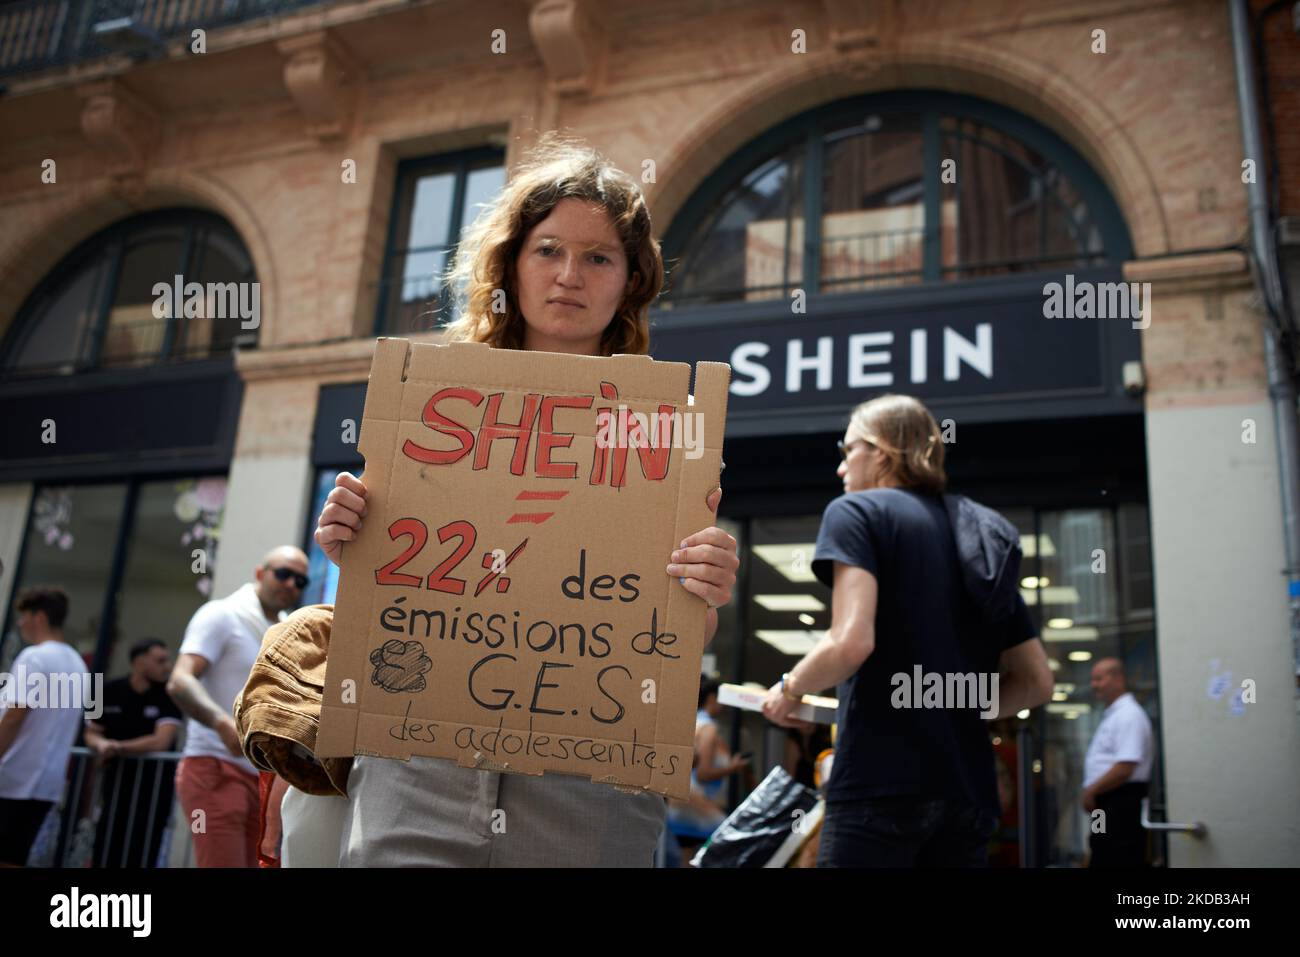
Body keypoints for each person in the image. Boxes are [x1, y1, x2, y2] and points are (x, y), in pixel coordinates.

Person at [314, 132, 740, 867]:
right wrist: (352, 538)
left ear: (630, 280)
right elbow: (376, 595)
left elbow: (668, 640)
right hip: (420, 770)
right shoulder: (430, 405)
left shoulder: (666, 431)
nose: (570, 275)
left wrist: (702, 591)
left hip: (590, 790)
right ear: (511, 261)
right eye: (548, 249)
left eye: (599, 257)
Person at [762, 394, 1054, 867]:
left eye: (847, 449)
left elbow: (851, 641)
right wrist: (950, 703)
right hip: (967, 794)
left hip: (880, 786)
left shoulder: (856, 513)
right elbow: (1037, 682)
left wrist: (789, 689)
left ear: (881, 450)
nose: (841, 468)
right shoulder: (983, 530)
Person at [167, 547, 308, 867]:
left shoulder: (290, 633)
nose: (291, 585)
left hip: (262, 778)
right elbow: (180, 680)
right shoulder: (221, 614)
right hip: (214, 767)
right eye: (283, 574)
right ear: (260, 573)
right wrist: (222, 724)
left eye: (300, 580)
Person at [0, 587, 88, 867]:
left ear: (38, 617)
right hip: (47, 782)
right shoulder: (77, 664)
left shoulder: (34, 657)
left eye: (23, 616)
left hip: (13, 777)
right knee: (15, 856)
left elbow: (15, 715)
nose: (20, 623)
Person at [83, 638, 183, 867]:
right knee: (106, 847)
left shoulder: (171, 694)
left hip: (154, 791)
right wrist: (101, 745)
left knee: (143, 852)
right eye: (159, 660)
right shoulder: (106, 690)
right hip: (115, 787)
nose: (166, 666)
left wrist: (117, 747)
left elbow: (161, 741)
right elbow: (91, 733)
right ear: (139, 662)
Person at [1082, 657, 1154, 868]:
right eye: (1093, 680)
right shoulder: (1113, 715)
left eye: (1099, 679)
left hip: (1119, 801)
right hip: (1103, 803)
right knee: (1099, 847)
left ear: (1118, 679)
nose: (1094, 685)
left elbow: (1125, 767)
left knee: (1116, 856)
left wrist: (1090, 791)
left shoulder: (1129, 715)